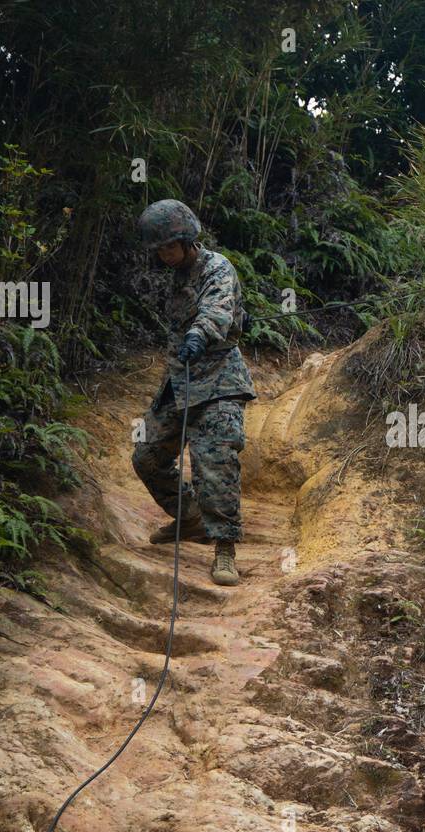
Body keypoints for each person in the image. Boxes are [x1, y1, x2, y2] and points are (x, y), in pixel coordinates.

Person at [132, 199, 256, 585]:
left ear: (188, 240)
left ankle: (224, 549)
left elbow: (215, 310)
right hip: (181, 383)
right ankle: (190, 520)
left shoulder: (217, 267)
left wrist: (201, 335)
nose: (165, 255)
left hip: (220, 380)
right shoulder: (173, 277)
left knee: (214, 462)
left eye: (170, 246)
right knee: (147, 457)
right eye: (159, 250)